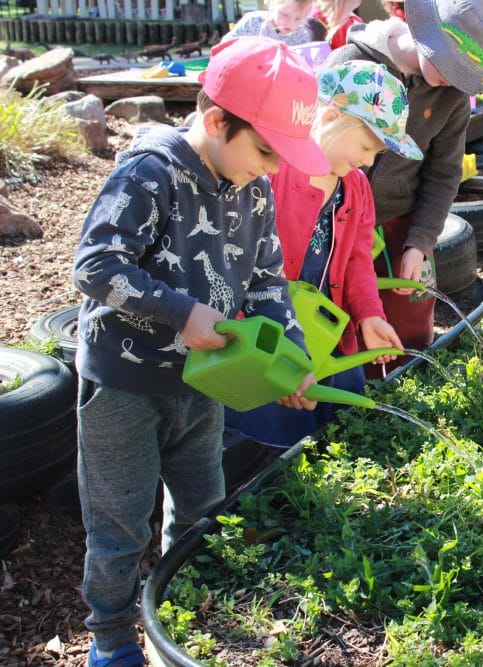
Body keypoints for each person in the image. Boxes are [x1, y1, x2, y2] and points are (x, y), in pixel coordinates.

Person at [71, 37, 329, 667]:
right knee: (120, 521)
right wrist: (181, 313)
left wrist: (292, 361)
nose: (271, 168)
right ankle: (110, 639)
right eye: (266, 150)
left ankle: (182, 616)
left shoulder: (254, 189)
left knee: (203, 509)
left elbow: (269, 284)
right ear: (217, 122)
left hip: (205, 381)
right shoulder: (148, 174)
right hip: (125, 385)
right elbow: (95, 265)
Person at [225, 60, 422, 448]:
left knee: (331, 437)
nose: (368, 160)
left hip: (325, 335)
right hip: (266, 336)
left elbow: (357, 258)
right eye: (366, 146)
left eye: (376, 152)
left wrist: (369, 315)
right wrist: (278, 359)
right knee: (268, 451)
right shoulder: (273, 174)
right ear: (331, 115)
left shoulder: (356, 187)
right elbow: (243, 271)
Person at [324, 0, 483, 375]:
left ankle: (403, 385)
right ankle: (343, 400)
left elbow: (444, 174)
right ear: (428, 36)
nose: (455, 80)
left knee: (407, 313)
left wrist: (421, 241)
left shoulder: (453, 96)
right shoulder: (353, 59)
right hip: (332, 218)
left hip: (400, 219)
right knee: (339, 311)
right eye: (452, 67)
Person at [224, 0, 316, 46]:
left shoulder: (301, 36)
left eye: (298, 18)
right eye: (285, 15)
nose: (290, 23)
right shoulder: (253, 22)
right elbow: (226, 45)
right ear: (272, 5)